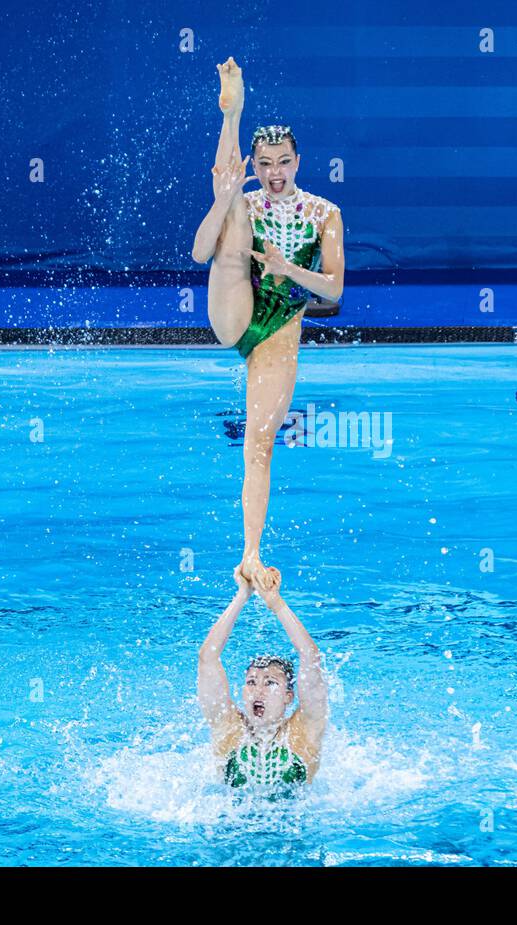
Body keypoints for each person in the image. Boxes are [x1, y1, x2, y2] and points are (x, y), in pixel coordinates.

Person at [190, 56, 346, 595]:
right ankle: (230, 114)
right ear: (254, 163)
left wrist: (287, 268)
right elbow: (198, 251)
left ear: (299, 161)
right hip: (234, 309)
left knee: (260, 442)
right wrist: (230, 196)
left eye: (283, 162)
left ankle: (251, 553)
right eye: (264, 163)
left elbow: (333, 288)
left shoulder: (324, 212)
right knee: (231, 211)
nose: (275, 173)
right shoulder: (248, 200)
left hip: (278, 333)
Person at [197, 565, 329, 789]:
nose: (258, 690)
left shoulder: (305, 728)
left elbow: (310, 656)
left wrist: (276, 604)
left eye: (270, 682)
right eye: (251, 682)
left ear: (288, 696)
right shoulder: (228, 727)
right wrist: (242, 595)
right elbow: (207, 658)